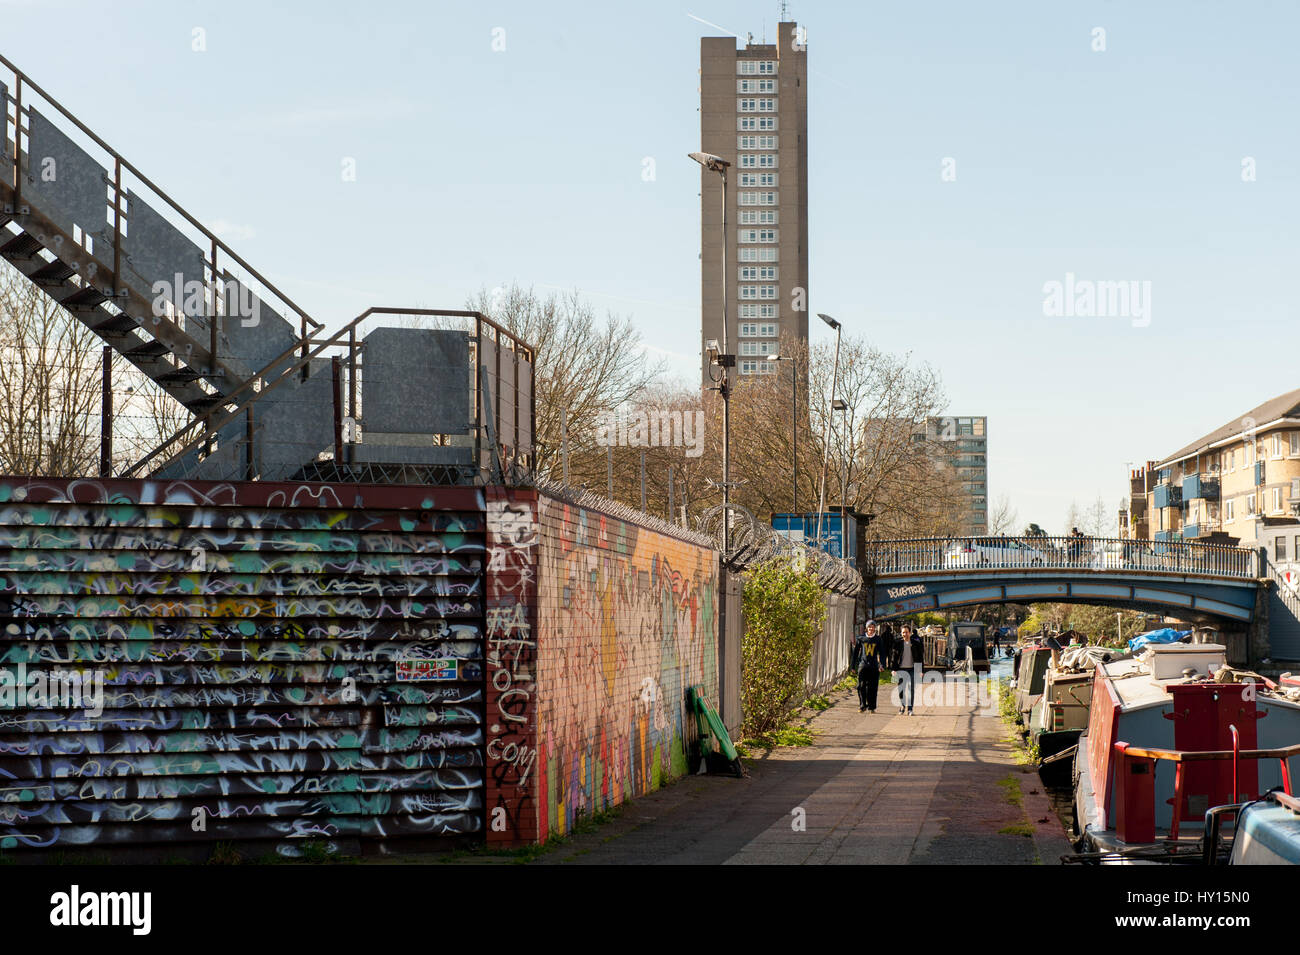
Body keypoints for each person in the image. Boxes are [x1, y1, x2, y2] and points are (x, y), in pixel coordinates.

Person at [849, 620, 886, 712]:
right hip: (863, 665)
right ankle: (862, 705)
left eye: (873, 627)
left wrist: (881, 665)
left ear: (875, 628)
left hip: (874, 666)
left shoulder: (878, 639)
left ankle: (872, 707)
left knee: (872, 687)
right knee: (861, 686)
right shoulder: (861, 638)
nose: (871, 629)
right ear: (866, 628)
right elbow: (856, 653)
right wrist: (853, 666)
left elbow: (882, 653)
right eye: (869, 627)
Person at [892, 623, 924, 715]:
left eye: (906, 632)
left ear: (910, 633)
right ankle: (902, 706)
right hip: (900, 670)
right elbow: (894, 657)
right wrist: (893, 669)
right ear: (901, 633)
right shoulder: (897, 643)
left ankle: (910, 709)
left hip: (912, 670)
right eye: (903, 632)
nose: (904, 634)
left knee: (911, 690)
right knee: (901, 689)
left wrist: (921, 671)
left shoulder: (916, 644)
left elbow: (920, 658)